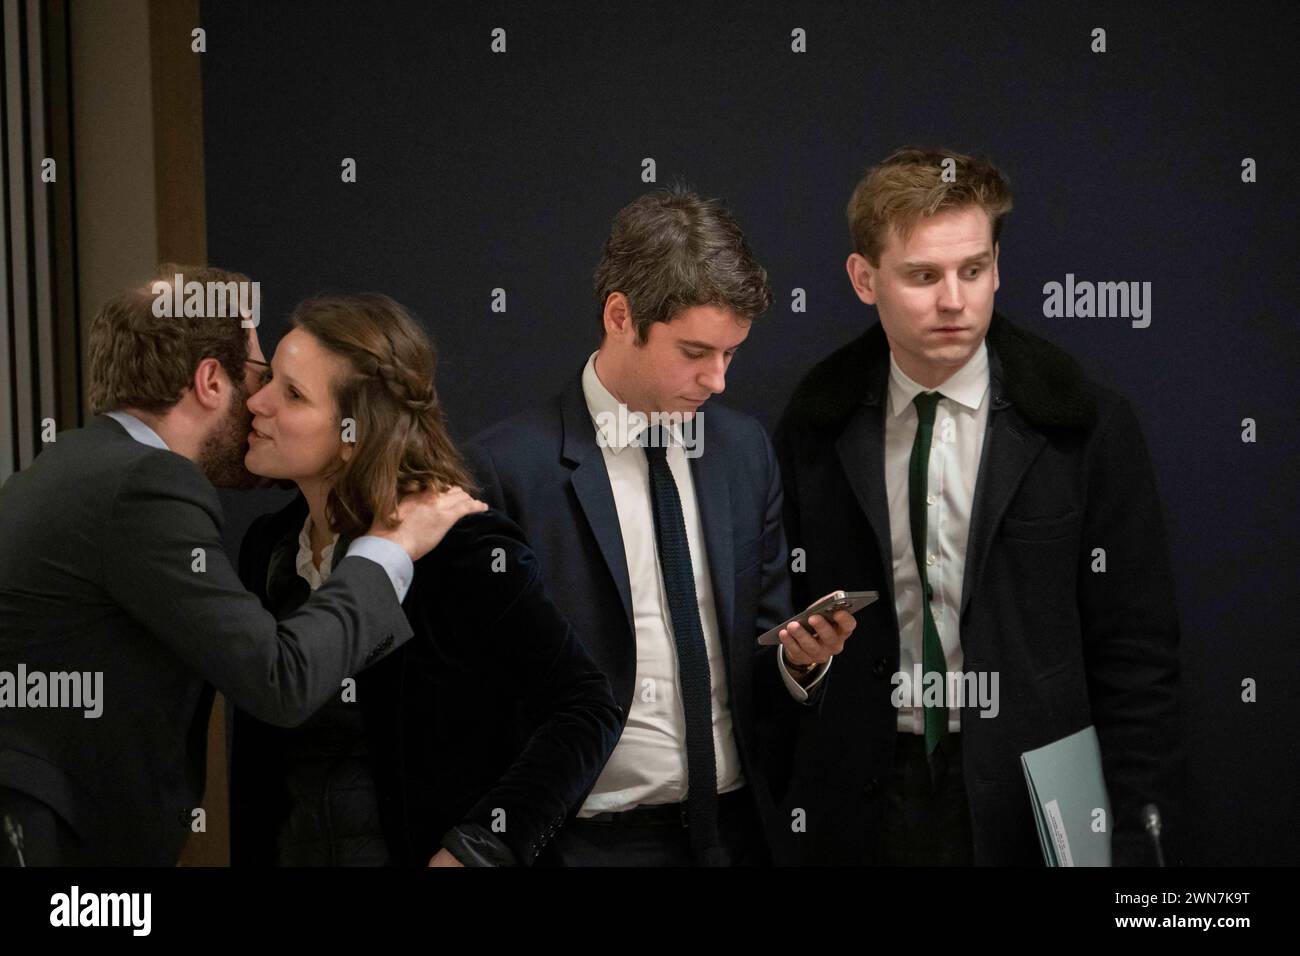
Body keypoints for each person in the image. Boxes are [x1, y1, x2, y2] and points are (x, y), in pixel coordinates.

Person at [773, 146, 1184, 865]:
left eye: (974, 269)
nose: (955, 300)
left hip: (1035, 797)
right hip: (862, 799)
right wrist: (799, 666)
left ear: (998, 265)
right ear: (863, 279)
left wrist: (1131, 831)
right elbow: (775, 625)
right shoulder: (815, 426)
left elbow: (1137, 652)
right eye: (923, 276)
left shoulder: (1083, 425)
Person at [0, 266, 471, 866]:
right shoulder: (148, 483)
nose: (259, 401)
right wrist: (388, 550)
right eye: (258, 373)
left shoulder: (71, 465)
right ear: (208, 382)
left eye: (287, 388)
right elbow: (281, 680)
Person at [465, 187, 858, 866]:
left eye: (731, 354)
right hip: (582, 844)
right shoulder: (507, 469)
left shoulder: (742, 451)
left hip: (733, 836)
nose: (718, 380)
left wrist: (798, 662)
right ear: (621, 316)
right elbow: (477, 701)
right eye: (695, 352)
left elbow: (759, 648)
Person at [231, 293, 622, 867]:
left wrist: (480, 848)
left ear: (352, 434)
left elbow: (588, 707)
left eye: (292, 394)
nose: (256, 402)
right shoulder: (267, 548)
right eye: (269, 380)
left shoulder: (461, 546)